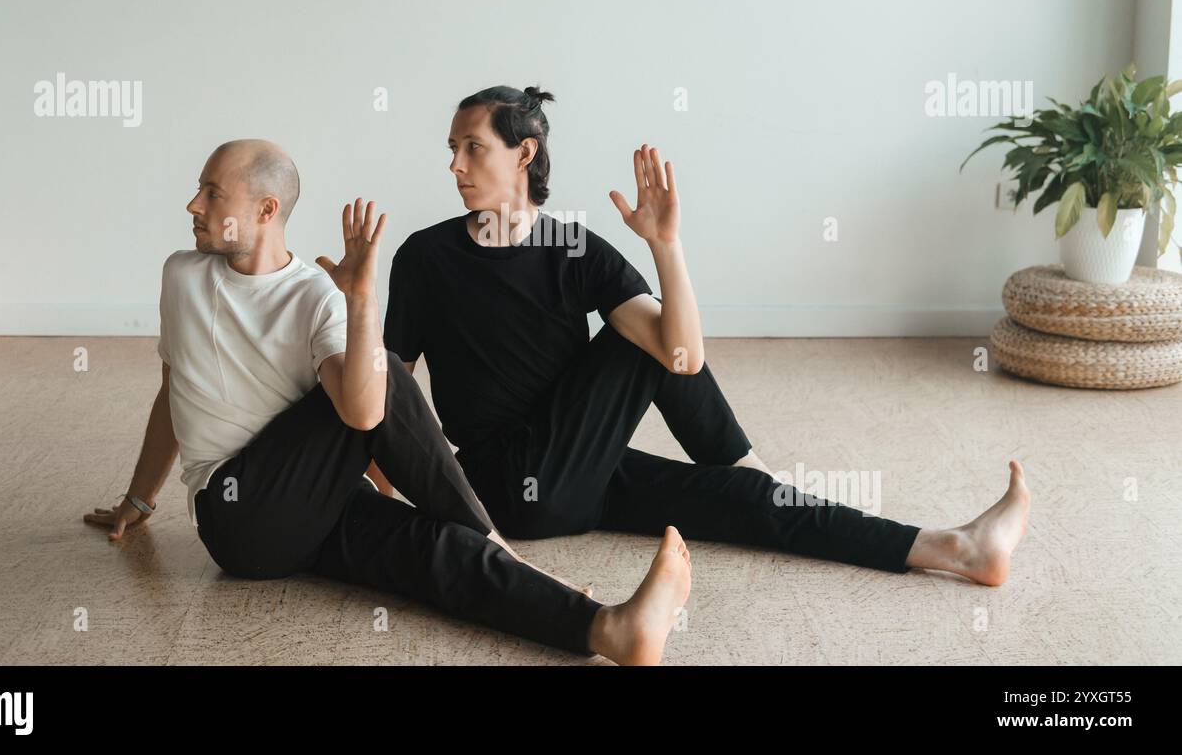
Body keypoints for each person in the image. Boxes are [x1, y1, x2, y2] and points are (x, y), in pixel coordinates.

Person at [383, 86, 1031, 586]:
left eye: (472, 147)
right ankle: (744, 466)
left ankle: (957, 549)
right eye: (452, 147)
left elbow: (685, 356)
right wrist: (403, 503)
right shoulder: (424, 257)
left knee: (745, 500)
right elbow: (388, 389)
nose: (454, 165)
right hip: (503, 484)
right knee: (644, 339)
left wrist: (667, 246)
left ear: (523, 154)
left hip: (582, 469)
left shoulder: (574, 249)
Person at [83, 138, 692, 664]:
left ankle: (607, 628)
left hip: (314, 509)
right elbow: (176, 389)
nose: (193, 205)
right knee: (382, 372)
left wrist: (357, 302)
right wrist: (141, 496)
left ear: (264, 210)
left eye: (212, 193)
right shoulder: (182, 275)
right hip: (236, 514)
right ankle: (493, 537)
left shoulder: (316, 298)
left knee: (436, 551)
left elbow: (362, 417)